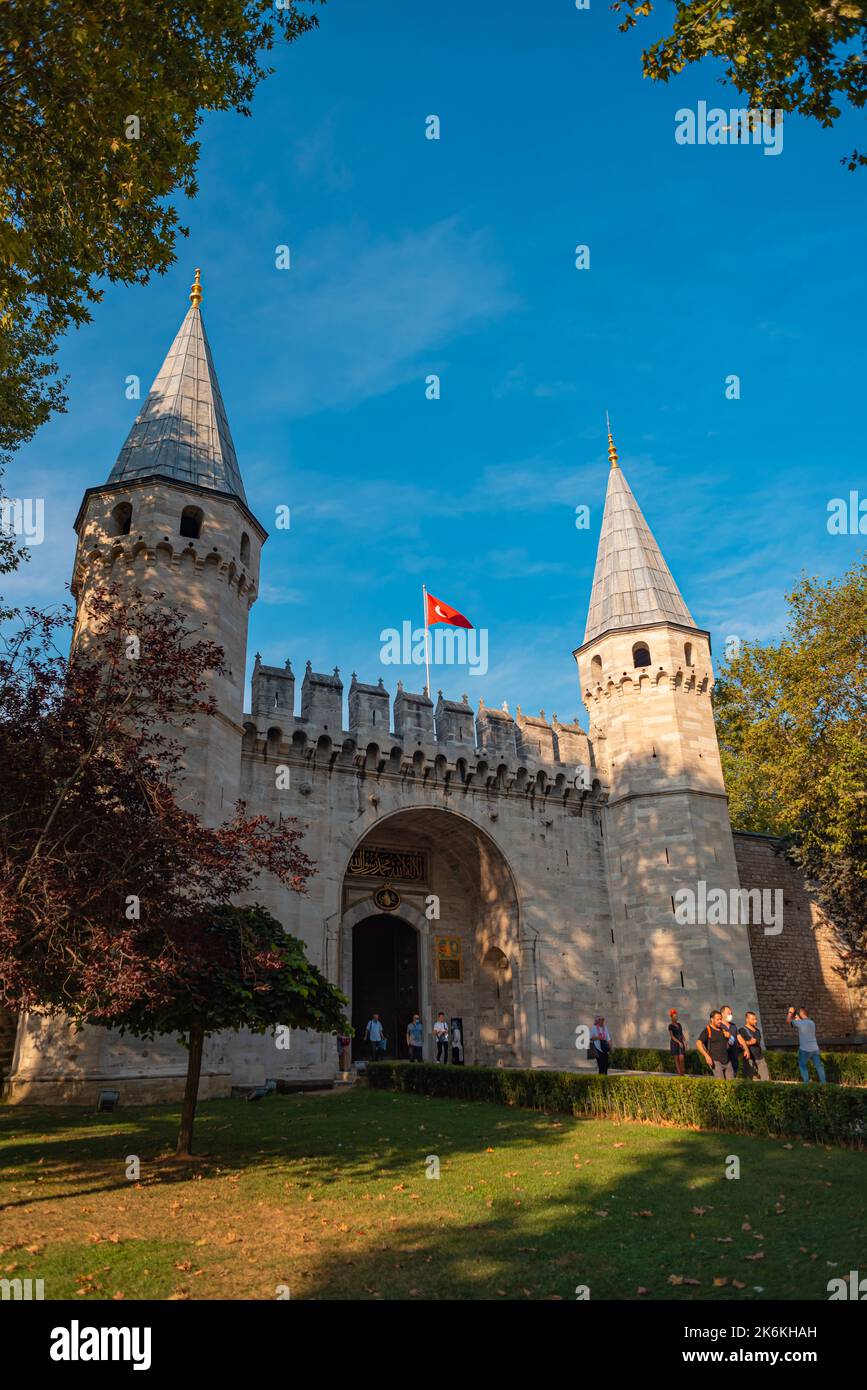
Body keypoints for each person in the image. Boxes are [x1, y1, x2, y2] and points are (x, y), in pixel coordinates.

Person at [787, 1005, 826, 1084]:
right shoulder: (812, 1022)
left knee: (802, 1065)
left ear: (801, 1013)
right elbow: (804, 1026)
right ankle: (823, 1083)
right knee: (819, 1066)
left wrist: (790, 1012)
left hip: (805, 1049)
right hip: (815, 1049)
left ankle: (806, 1084)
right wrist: (798, 1019)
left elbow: (788, 1021)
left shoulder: (800, 1023)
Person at [696, 1009, 734, 1079]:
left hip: (727, 1061)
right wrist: (706, 1056)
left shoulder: (723, 1029)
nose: (720, 1021)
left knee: (732, 1085)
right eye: (717, 1019)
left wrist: (730, 1036)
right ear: (712, 1019)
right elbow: (698, 1043)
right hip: (715, 1061)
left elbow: (732, 1042)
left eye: (720, 1019)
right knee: (721, 1084)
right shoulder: (707, 1030)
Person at [738, 1011, 769, 1080]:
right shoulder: (742, 1030)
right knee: (749, 1079)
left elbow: (757, 1041)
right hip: (749, 1059)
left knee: (766, 1078)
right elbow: (739, 1044)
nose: (755, 1021)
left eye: (756, 1019)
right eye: (753, 1019)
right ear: (747, 1020)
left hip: (760, 1057)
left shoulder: (757, 1031)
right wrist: (749, 1042)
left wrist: (753, 1042)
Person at [721, 1004, 739, 1076]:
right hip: (724, 1058)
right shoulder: (719, 1026)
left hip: (734, 1056)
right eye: (729, 1013)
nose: (730, 1015)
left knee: (733, 1076)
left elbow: (738, 1037)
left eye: (731, 1013)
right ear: (722, 1014)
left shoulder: (733, 1026)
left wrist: (745, 1048)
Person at [668, 1008, 687, 1076]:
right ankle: (679, 1074)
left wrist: (685, 1041)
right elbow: (672, 1036)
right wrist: (678, 1042)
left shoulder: (679, 1024)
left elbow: (681, 1033)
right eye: (675, 1016)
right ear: (672, 1017)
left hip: (681, 1043)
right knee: (676, 1059)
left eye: (676, 1016)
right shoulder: (670, 1026)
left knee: (682, 1058)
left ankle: (683, 1073)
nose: (676, 1017)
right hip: (674, 1043)